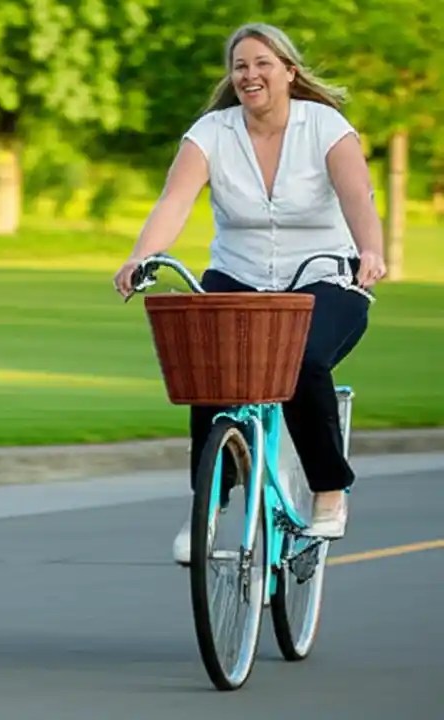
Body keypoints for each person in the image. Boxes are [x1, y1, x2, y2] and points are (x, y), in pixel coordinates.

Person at [113, 23, 386, 565]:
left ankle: (329, 488)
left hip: (325, 277)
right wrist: (140, 256)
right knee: (204, 367)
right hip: (239, 276)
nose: (250, 74)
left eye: (263, 63)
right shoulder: (212, 133)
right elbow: (175, 201)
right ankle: (208, 507)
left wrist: (370, 250)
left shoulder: (325, 126)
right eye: (240, 66)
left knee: (305, 361)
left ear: (289, 71)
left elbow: (358, 196)